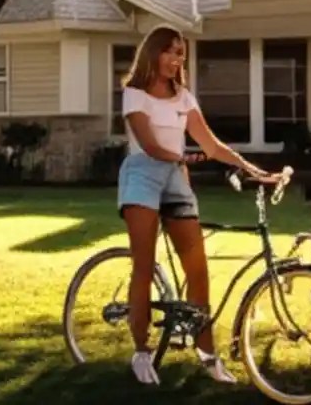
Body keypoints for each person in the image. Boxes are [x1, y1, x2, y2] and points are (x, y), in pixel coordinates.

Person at [117, 25, 277, 386]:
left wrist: (251, 168)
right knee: (143, 265)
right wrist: (185, 156)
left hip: (176, 177)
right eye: (169, 51)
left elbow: (212, 143)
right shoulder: (134, 93)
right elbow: (148, 142)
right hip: (143, 173)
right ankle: (141, 353)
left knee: (198, 269)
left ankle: (208, 355)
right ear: (153, 53)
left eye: (180, 53)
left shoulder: (184, 97)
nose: (175, 59)